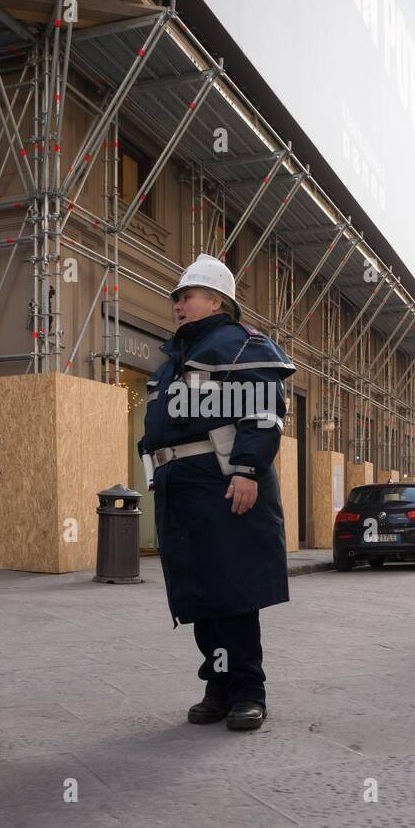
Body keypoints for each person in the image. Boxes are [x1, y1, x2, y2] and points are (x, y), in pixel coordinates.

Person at [138, 253, 295, 732]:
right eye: (177, 298)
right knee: (202, 593)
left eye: (187, 296)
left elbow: (265, 413)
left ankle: (248, 691)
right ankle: (219, 685)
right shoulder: (174, 359)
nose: (178, 305)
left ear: (217, 300)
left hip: (224, 482)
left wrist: (247, 470)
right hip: (183, 488)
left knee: (233, 591)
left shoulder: (241, 344)